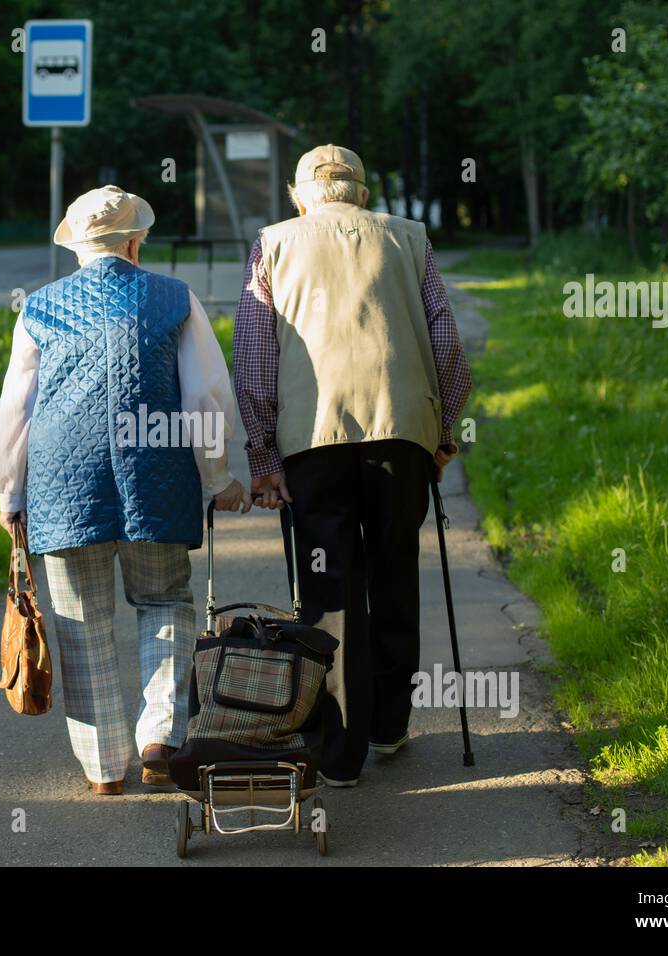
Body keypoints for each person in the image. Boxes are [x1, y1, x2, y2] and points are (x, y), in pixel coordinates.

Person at [0, 185, 250, 796]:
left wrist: (10, 492)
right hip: (155, 477)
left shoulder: (40, 308)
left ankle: (104, 768)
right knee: (163, 601)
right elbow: (203, 397)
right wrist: (218, 479)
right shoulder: (173, 298)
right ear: (136, 242)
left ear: (76, 247)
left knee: (81, 620)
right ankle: (159, 736)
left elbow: (14, 410)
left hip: (61, 481)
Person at [232, 145, 472, 787]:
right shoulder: (410, 238)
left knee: (330, 591)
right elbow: (445, 341)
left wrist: (262, 456)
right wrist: (442, 433)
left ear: (301, 195)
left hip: (313, 443)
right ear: (361, 194)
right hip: (402, 435)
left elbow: (254, 357)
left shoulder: (273, 244)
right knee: (395, 572)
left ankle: (340, 752)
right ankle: (391, 725)